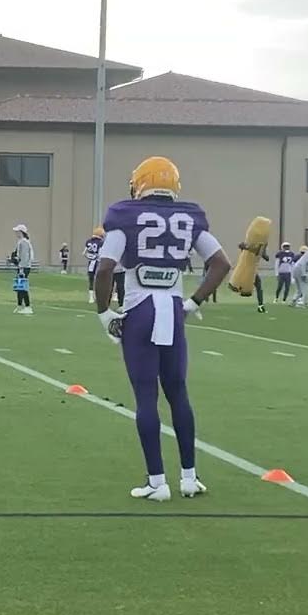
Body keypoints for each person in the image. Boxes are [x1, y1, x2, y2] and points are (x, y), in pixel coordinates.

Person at [93, 156, 231, 501]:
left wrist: (104, 314)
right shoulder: (189, 217)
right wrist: (194, 303)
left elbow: (104, 269)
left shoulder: (124, 216)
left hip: (140, 310)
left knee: (146, 397)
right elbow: (221, 263)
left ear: (139, 183)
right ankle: (189, 477)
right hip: (172, 308)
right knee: (178, 393)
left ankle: (157, 482)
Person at [238, 242, 270, 313]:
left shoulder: (259, 248)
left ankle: (260, 305)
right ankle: (260, 305)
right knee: (257, 286)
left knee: (258, 286)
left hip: (251, 269)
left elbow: (266, 258)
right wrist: (249, 248)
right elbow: (241, 246)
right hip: (246, 268)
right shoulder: (252, 244)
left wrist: (261, 252)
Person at [11, 224, 34, 314]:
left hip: (24, 267)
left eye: (17, 231)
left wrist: (21, 268)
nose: (16, 233)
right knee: (19, 287)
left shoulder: (24, 242)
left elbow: (25, 256)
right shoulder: (21, 242)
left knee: (23, 287)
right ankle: (19, 305)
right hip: (21, 266)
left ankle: (28, 306)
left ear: (21, 232)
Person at [84, 226, 104, 304]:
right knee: (100, 280)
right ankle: (98, 297)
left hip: (91, 262)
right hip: (98, 262)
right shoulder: (101, 242)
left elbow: (84, 253)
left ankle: (91, 297)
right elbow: (101, 254)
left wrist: (91, 257)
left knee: (91, 280)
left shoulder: (88, 241)